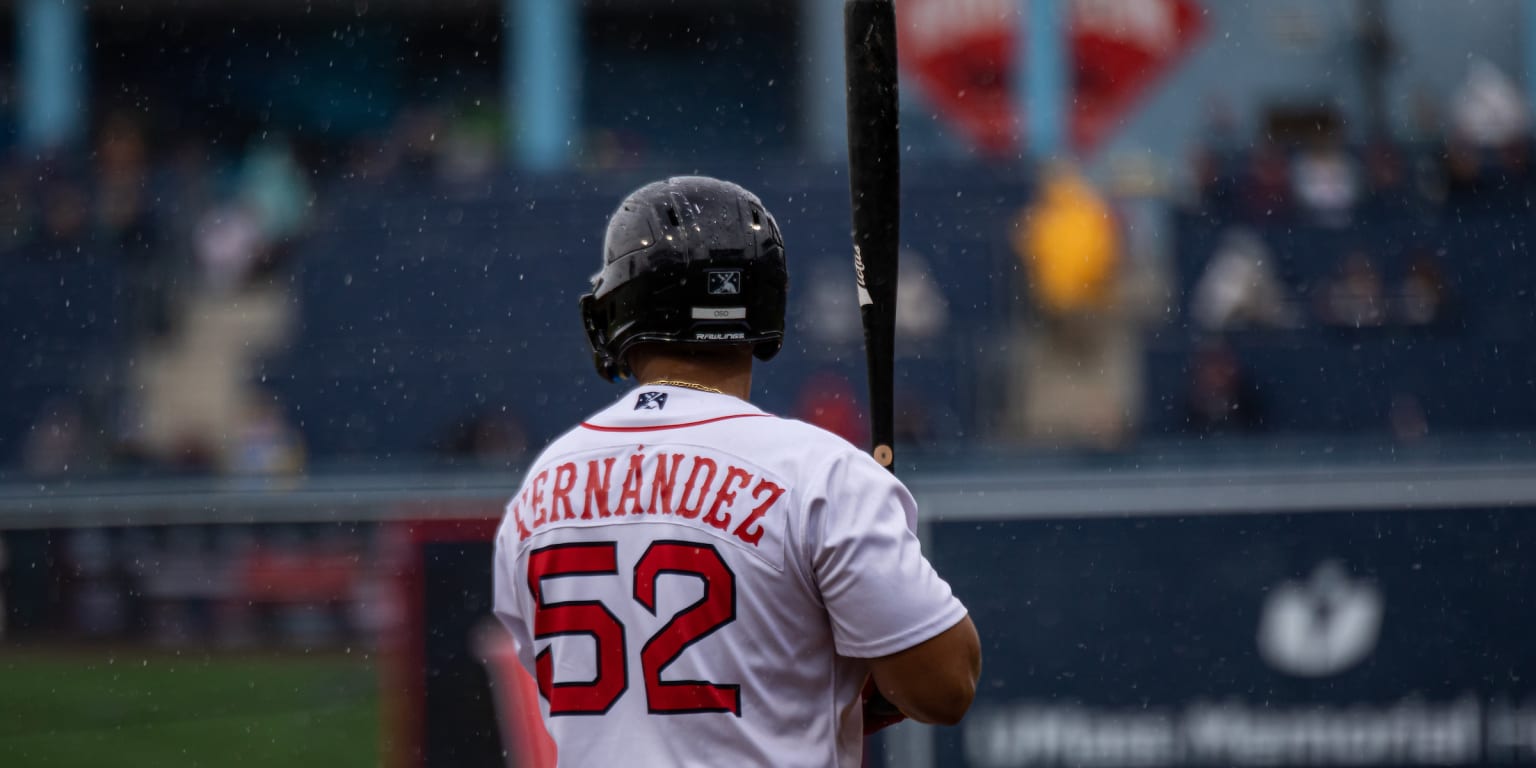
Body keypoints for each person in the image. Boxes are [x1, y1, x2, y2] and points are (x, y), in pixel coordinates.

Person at [491, 176, 980, 767]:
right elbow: (946, 686)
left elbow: (570, 675)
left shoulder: (542, 485)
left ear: (624, 306)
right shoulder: (823, 473)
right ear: (764, 307)